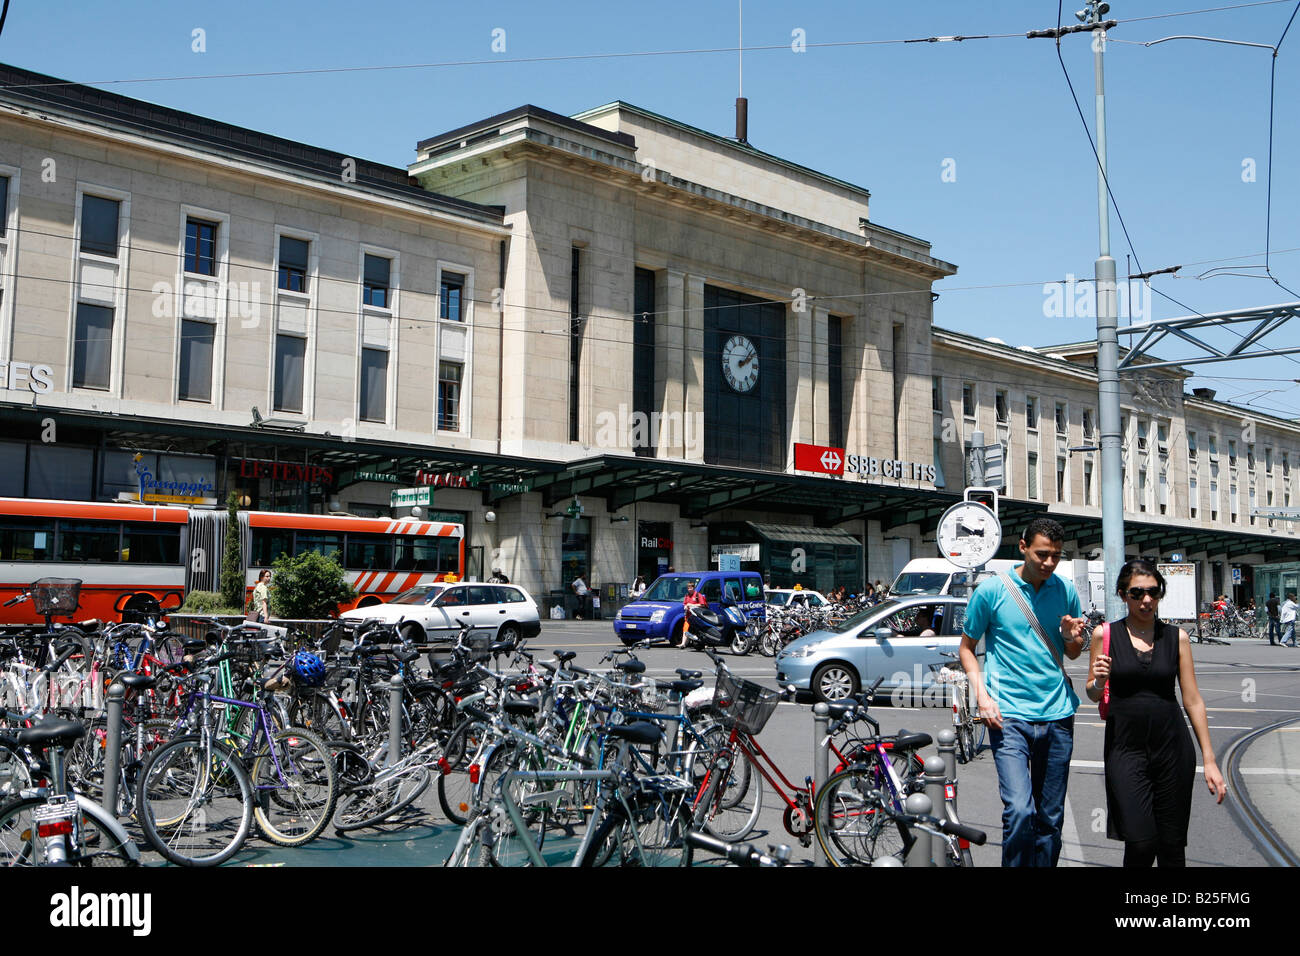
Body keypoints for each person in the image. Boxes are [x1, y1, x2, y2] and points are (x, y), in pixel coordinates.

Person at [959, 517, 1088, 867]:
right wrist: (982, 697)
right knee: (1019, 810)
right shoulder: (992, 591)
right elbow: (967, 648)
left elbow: (1074, 652)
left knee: (1050, 818)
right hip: (1009, 716)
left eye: (1056, 556)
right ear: (1023, 547)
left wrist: (1070, 637)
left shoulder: (1065, 590)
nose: (1049, 562)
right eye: (1041, 554)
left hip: (1058, 715)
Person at [1087, 560, 1226, 867]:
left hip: (1173, 750)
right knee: (1140, 843)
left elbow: (1193, 700)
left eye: (1153, 592)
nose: (1146, 600)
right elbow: (1093, 693)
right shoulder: (1104, 635)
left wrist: (1210, 760)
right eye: (1137, 593)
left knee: (1171, 846)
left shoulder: (1177, 638)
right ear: (1123, 595)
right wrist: (1099, 681)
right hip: (1125, 749)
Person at [681, 580, 707, 648]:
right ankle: (683, 644)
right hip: (688, 615)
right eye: (688, 588)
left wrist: (692, 605)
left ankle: (705, 644)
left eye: (691, 588)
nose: (689, 589)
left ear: (693, 587)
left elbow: (702, 605)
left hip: (697, 616)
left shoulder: (698, 595)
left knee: (700, 630)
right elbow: (685, 604)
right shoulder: (687, 595)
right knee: (685, 628)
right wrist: (685, 606)